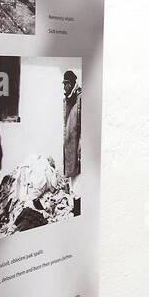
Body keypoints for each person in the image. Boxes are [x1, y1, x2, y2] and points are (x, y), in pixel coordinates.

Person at [63, 70, 82, 213]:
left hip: (77, 145)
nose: (65, 86)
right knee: (72, 176)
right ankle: (75, 206)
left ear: (73, 83)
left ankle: (78, 208)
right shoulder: (67, 99)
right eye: (64, 84)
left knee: (79, 177)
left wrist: (81, 145)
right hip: (69, 144)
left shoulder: (80, 97)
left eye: (68, 83)